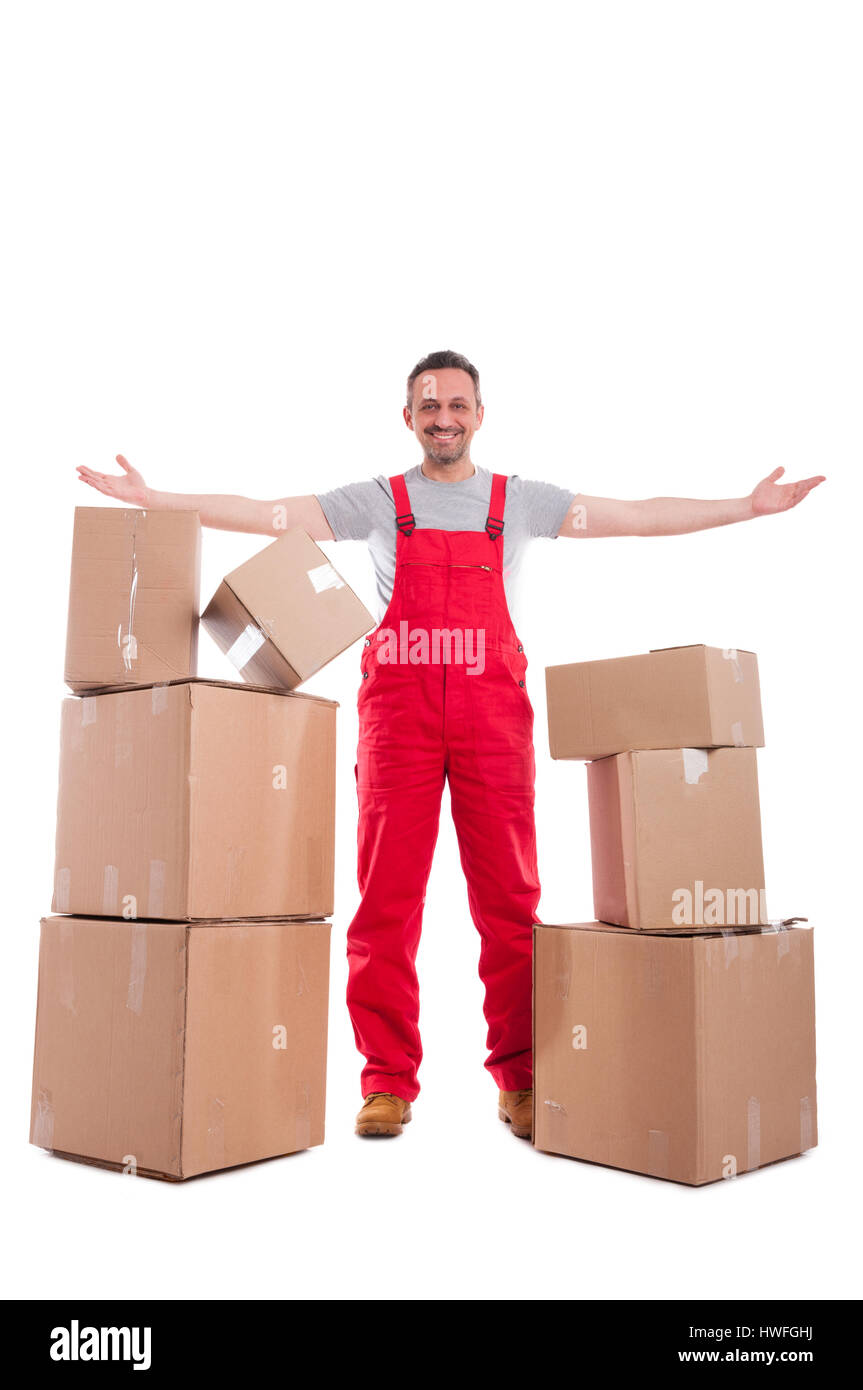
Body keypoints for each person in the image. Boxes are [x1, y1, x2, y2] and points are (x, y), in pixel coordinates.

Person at [77, 348, 825, 1141]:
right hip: (396, 718)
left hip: (490, 718)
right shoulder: (376, 501)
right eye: (428, 407)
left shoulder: (522, 502)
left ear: (478, 414)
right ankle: (386, 1083)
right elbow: (270, 511)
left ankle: (523, 1078)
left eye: (457, 406)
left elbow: (635, 516)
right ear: (408, 417)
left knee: (509, 905)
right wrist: (155, 500)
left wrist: (746, 508)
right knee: (384, 906)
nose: (443, 419)